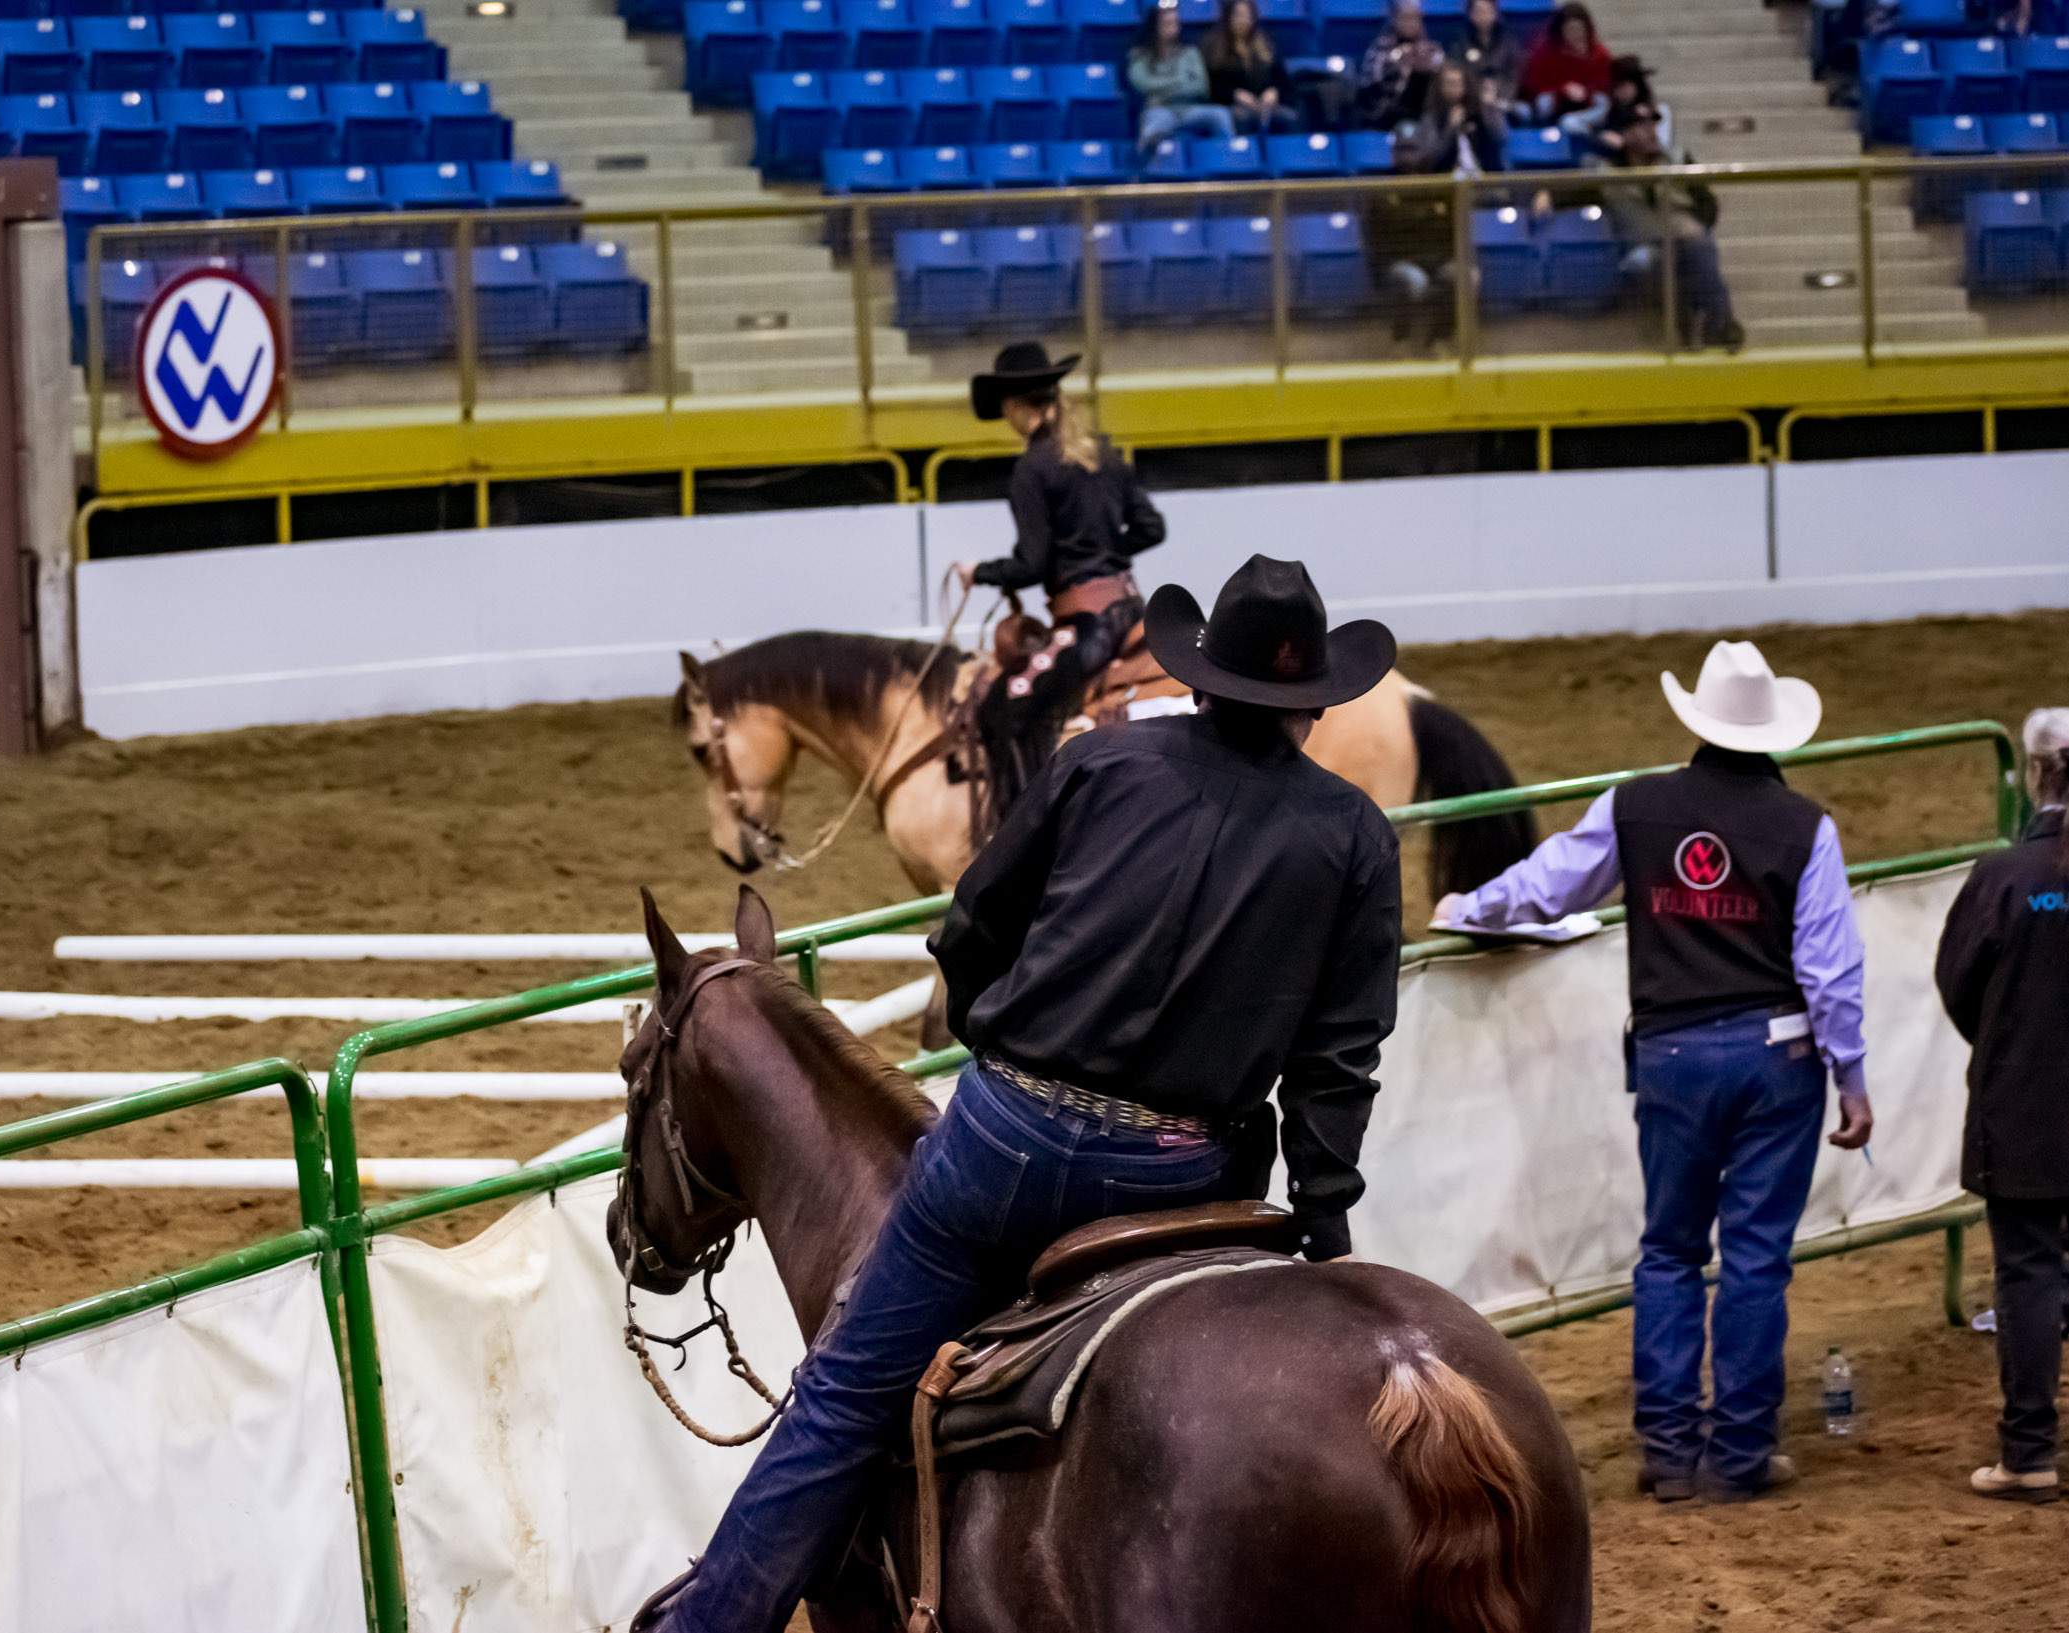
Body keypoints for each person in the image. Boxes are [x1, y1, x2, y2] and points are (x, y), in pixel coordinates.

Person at [635, 554, 1406, 1633]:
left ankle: (707, 1621)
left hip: (1007, 1144)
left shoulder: (1102, 764)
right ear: (1310, 702)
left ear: (1200, 672)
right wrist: (1321, 1221)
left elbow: (973, 930)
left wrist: (1020, 1047)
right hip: (1187, 1169)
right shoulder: (1355, 836)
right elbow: (1337, 1054)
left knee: (848, 1393)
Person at [1435, 639, 1874, 1505]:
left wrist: (1468, 907)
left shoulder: (1636, 807)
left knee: (1669, 1250)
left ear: (1697, 722)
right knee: (1754, 1258)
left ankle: (1668, 1452)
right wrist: (1851, 1076)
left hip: (1671, 1055)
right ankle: (1741, 1453)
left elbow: (1551, 884)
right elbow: (1829, 967)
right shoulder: (1804, 826)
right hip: (1776, 1056)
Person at [1934, 707, 2069, 1505]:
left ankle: (2028, 1452)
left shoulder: (2001, 877)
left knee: (2026, 1273)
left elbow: (1958, 987)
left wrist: (2005, 1038)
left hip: (2022, 1101)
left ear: (2029, 775)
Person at [951, 342, 1167, 811]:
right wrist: (1106, 556)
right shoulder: (1103, 452)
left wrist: (981, 573)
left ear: (1011, 406)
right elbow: (1152, 529)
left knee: (1004, 707)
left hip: (1089, 625)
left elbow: (1031, 565)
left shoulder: (1033, 470)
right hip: (1130, 608)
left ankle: (1022, 834)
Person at [1373, 61, 1506, 348]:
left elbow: (1447, 229)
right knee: (1415, 281)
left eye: (1412, 150)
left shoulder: (1438, 184)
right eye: (1402, 151)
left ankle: (1438, 340)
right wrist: (1428, 214)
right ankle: (1402, 343)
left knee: (1466, 276)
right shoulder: (1382, 189)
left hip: (1435, 256)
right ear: (1394, 155)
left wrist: (1489, 106)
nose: (1408, 157)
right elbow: (1387, 236)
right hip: (1402, 261)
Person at [1595, 112, 1743, 352]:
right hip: (1642, 244)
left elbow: (1707, 203)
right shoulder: (1608, 172)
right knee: (1651, 263)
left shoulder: (1677, 158)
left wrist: (1696, 223)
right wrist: (1546, 194)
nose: (1651, 132)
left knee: (1701, 247)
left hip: (1683, 234)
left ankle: (1720, 328)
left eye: (1652, 125)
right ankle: (1683, 330)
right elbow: (1572, 190)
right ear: (1624, 135)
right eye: (1641, 127)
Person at [1129, 2, 1233, 148]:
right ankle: (1144, 167)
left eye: (1174, 23)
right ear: (1155, 25)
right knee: (1151, 129)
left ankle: (1230, 159)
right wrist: (1180, 82)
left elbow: (1200, 86)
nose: (1172, 27)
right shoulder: (1141, 55)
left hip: (1189, 108)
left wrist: (1162, 92)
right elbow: (1142, 83)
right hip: (1160, 110)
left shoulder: (1190, 53)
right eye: (1167, 23)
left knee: (1221, 114)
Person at [1204, 0, 1302, 134]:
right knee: (1242, 118)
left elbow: (1284, 82)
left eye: (1247, 15)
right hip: (1232, 107)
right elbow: (1210, 88)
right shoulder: (1214, 50)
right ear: (1228, 18)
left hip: (1265, 106)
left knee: (1288, 117)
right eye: (1238, 15)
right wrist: (1235, 95)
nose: (1243, 20)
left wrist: (1274, 92)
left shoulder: (1267, 47)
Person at [1357, 0, 1445, 128]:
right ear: (1394, 19)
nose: (1410, 24)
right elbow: (1371, 84)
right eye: (1405, 18)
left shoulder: (1432, 50)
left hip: (1424, 118)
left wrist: (1427, 63)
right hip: (1386, 117)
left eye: (1415, 19)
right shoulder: (1379, 49)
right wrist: (1404, 60)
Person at [1520, 1, 1611, 125]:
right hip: (1558, 101)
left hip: (1586, 103)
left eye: (1579, 29)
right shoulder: (1545, 50)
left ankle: (1589, 134)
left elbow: (1603, 87)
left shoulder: (1599, 53)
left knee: (1601, 103)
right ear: (1561, 30)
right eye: (1570, 30)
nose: (1576, 34)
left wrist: (1586, 92)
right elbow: (1537, 86)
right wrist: (1562, 90)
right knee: (1543, 102)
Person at [1456, 0, 1522, 118]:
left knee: (1523, 111)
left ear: (1496, 13)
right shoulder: (1461, 45)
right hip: (1473, 102)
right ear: (1470, 14)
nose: (1483, 16)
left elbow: (1514, 76)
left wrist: (1501, 97)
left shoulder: (1509, 44)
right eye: (1479, 12)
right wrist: (1479, 94)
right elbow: (1459, 74)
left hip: (1505, 101)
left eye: (1487, 11)